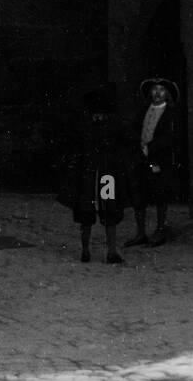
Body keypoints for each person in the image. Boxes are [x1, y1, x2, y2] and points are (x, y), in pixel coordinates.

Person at [57, 86, 141, 264]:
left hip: (105, 176)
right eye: (95, 112)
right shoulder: (86, 126)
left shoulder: (112, 125)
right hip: (91, 174)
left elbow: (129, 142)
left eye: (100, 112)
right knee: (87, 213)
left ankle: (109, 252)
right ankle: (87, 251)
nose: (98, 115)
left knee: (108, 212)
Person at [125, 78, 180, 248]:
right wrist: (138, 145)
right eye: (154, 90)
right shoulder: (143, 110)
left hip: (158, 160)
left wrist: (151, 147)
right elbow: (133, 129)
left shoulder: (170, 114)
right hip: (141, 157)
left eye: (162, 90)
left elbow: (170, 138)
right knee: (139, 194)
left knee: (159, 193)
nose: (157, 93)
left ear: (167, 94)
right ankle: (140, 233)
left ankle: (160, 230)